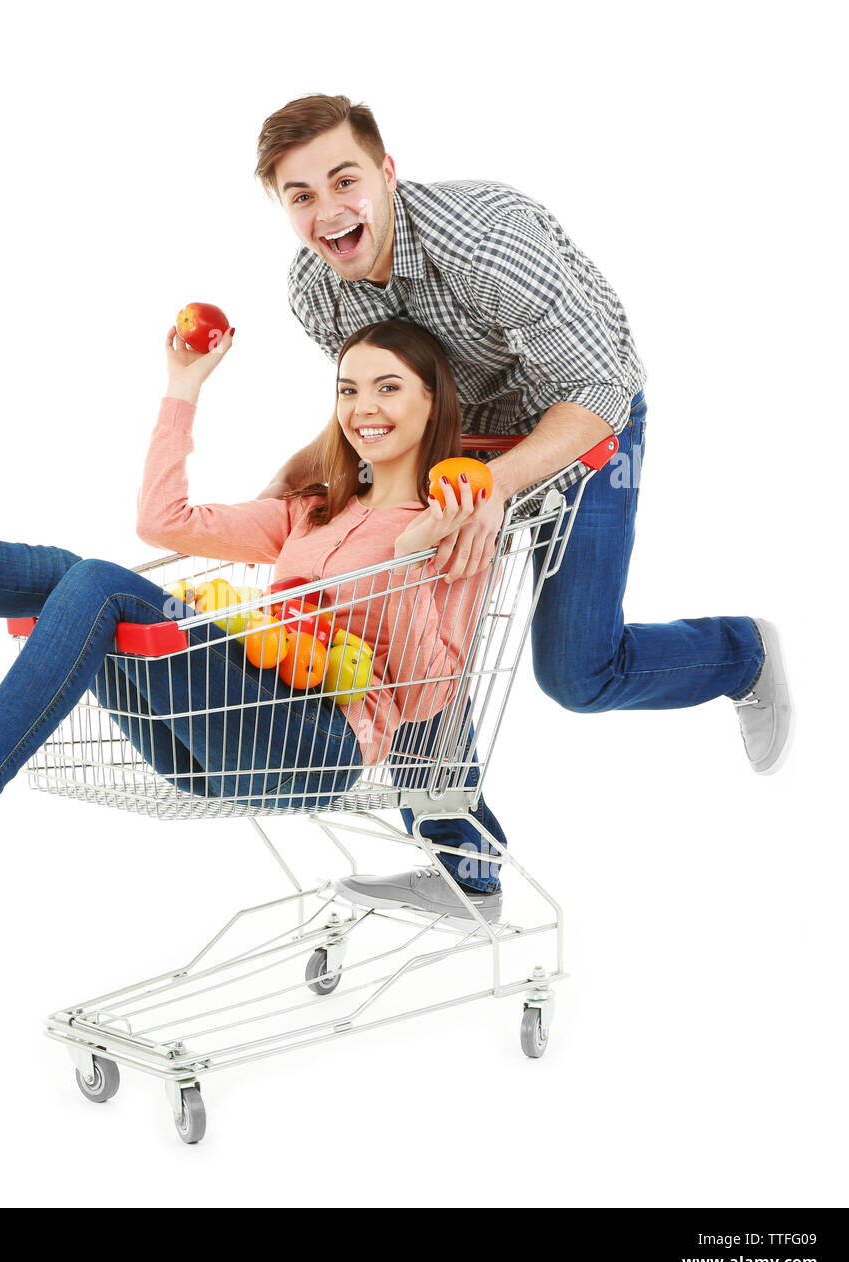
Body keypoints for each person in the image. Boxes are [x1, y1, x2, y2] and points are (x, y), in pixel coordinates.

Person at [0, 318, 505, 917]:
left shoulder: (460, 520)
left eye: (388, 387)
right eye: (348, 388)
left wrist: (413, 549)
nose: (363, 407)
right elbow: (163, 522)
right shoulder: (313, 510)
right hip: (221, 718)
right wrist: (183, 386)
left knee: (94, 585)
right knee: (69, 576)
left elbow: (431, 686)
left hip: (316, 744)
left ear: (433, 403)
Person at [250, 94, 792, 913]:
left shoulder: (487, 246)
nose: (328, 212)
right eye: (300, 196)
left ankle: (740, 654)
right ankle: (461, 865)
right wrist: (293, 490)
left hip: (582, 424)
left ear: (387, 172)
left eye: (344, 180)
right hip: (460, 444)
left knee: (577, 672)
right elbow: (374, 408)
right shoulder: (318, 291)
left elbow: (602, 387)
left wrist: (490, 490)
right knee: (396, 604)